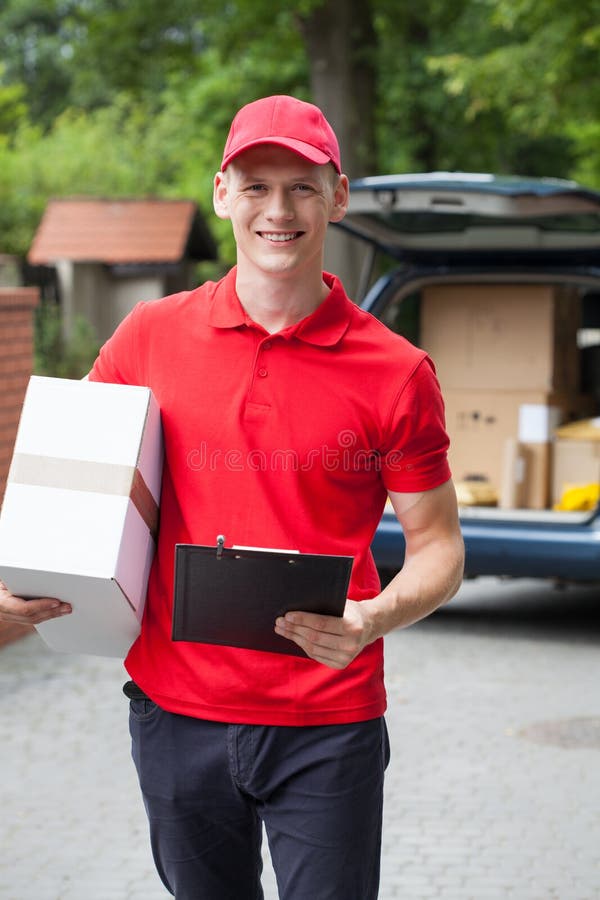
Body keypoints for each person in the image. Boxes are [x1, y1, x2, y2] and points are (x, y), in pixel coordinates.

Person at [0, 94, 464, 899]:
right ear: (222, 193)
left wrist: (371, 618)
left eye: (302, 187)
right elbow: (67, 473)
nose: (277, 210)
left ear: (338, 197)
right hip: (175, 711)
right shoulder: (148, 335)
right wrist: (24, 569)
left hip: (327, 721)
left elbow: (441, 546)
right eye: (255, 186)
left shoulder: (396, 372)